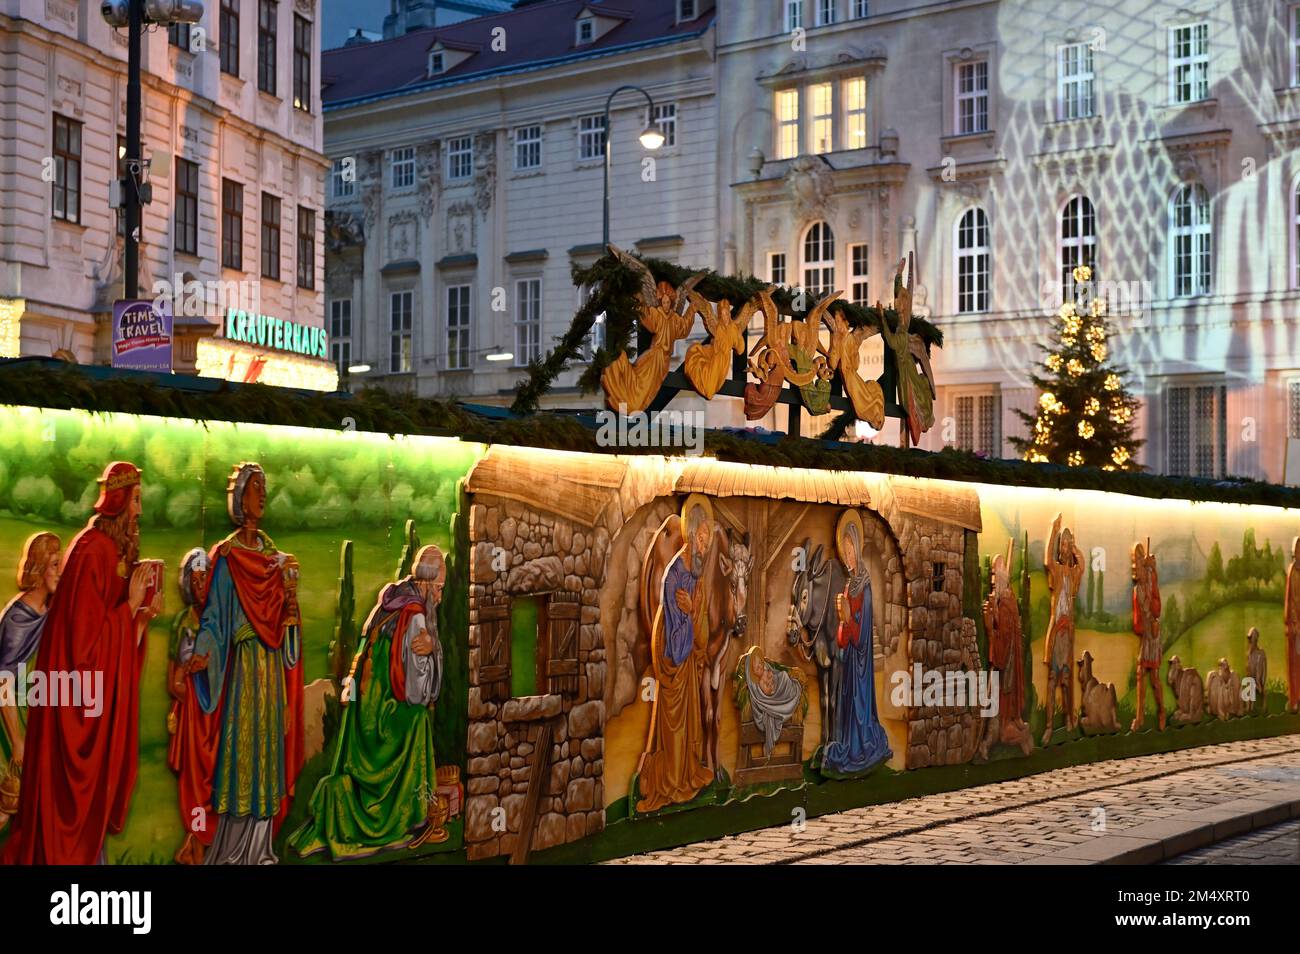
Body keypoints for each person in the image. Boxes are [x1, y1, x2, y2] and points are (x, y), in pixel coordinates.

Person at [1, 462, 161, 864]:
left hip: (77, 705)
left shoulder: (104, 553)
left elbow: (107, 645)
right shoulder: (94, 552)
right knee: (65, 823)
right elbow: (84, 651)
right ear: (122, 502)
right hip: (70, 714)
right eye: (137, 501)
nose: (139, 512)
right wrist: (129, 607)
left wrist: (138, 615)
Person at [289, 545, 447, 860]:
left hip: (364, 713)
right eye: (440, 589)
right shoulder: (415, 618)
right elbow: (417, 691)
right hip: (384, 719)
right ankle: (411, 816)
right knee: (417, 721)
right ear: (427, 585)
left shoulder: (390, 599)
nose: (441, 597)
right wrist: (433, 648)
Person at [192, 462, 303, 865]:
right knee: (241, 753)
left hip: (270, 669)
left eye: (265, 488)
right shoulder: (227, 556)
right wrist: (203, 650)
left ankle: (260, 850)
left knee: (268, 752)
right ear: (240, 497)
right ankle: (232, 852)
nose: (263, 495)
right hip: (241, 670)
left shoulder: (276, 559)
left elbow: (289, 620)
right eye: (256, 487)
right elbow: (214, 617)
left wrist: (291, 601)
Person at [637, 496, 716, 813]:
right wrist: (692, 616)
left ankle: (686, 774)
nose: (705, 545)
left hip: (687, 661)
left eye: (707, 539)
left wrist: (695, 612)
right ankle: (669, 783)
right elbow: (676, 634)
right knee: (673, 726)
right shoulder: (674, 576)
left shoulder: (696, 576)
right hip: (673, 659)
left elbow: (702, 629)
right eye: (701, 537)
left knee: (688, 724)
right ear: (691, 534)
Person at [822, 510, 891, 775]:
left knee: (857, 701)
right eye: (845, 552)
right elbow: (844, 635)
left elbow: (862, 632)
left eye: (851, 552)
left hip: (860, 661)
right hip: (849, 657)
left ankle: (862, 745)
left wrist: (849, 619)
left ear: (858, 551)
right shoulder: (849, 585)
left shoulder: (864, 585)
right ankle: (849, 745)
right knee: (846, 701)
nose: (848, 557)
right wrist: (843, 620)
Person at [0, 532, 61, 830]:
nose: (59, 573)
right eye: (53, 565)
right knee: (8, 802)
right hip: (10, 722)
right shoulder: (18, 619)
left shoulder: (47, 611)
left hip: (33, 714)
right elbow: (3, 683)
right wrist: (17, 741)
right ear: (38, 568)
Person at [166, 547, 217, 865]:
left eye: (205, 578)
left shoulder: (218, 621)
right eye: (195, 580)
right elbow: (173, 683)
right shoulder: (183, 623)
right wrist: (189, 672)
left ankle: (197, 846)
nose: (200, 586)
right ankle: (194, 846)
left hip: (216, 717)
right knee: (194, 785)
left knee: (213, 785)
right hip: (192, 720)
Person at [981, 539, 1032, 754]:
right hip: (1007, 676)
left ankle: (1020, 737)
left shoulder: (1005, 605)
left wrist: (990, 625)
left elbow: (1000, 655)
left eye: (995, 576)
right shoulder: (1008, 601)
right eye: (991, 576)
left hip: (1005, 680)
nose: (992, 581)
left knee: (1001, 728)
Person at [1042, 513, 1083, 745]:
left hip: (1069, 632)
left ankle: (1069, 718)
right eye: (1064, 544)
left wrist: (1077, 549)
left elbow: (1083, 565)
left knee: (1066, 679)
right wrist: (1054, 531)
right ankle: (1048, 726)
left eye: (1069, 544)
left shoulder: (1072, 573)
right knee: (1051, 678)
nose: (1066, 548)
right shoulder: (1057, 571)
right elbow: (1047, 560)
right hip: (1057, 630)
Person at [1131, 541, 1165, 731]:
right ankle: (1139, 717)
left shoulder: (1151, 583)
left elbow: (1157, 608)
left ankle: (1161, 711)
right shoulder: (1137, 591)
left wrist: (1153, 570)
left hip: (1153, 633)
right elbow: (1137, 622)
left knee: (1154, 677)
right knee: (1140, 673)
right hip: (1145, 634)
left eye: (1138, 563)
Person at [1286, 538, 1300, 713]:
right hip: (1296, 628)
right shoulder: (1292, 571)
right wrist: (1294, 622)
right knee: (1295, 662)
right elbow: (1291, 600)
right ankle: (1295, 698)